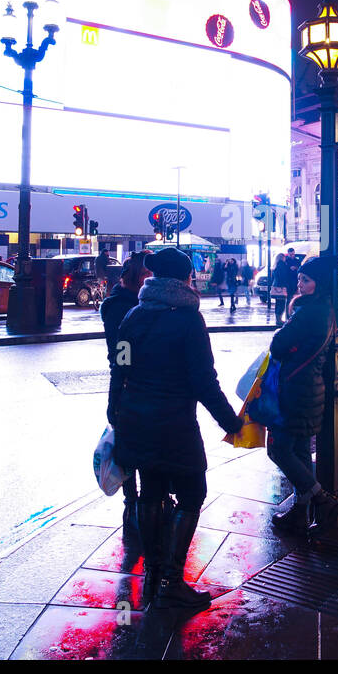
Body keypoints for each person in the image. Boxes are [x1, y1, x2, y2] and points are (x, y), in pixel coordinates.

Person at [108, 247, 244, 611]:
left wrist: (114, 410)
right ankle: (170, 579)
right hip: (174, 423)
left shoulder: (133, 316)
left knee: (151, 491)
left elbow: (119, 366)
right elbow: (204, 381)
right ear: (183, 280)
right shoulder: (188, 320)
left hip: (135, 417)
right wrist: (231, 421)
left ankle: (153, 574)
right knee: (191, 493)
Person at [265, 257, 338, 534]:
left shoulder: (308, 311)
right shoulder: (325, 309)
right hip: (309, 388)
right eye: (300, 278)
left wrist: (283, 336)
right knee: (297, 450)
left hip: (295, 390)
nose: (299, 282)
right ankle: (299, 513)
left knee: (278, 449)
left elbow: (278, 344)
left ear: (318, 284)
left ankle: (322, 500)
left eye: (306, 280)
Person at [100, 250, 153, 540]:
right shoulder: (120, 307)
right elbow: (120, 354)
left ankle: (141, 503)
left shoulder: (141, 304)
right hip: (128, 385)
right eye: (146, 276)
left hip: (135, 382)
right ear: (136, 278)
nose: (150, 280)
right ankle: (132, 503)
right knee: (130, 448)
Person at [272, 252, 297, 326]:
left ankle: (278, 319)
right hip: (281, 286)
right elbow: (284, 275)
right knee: (281, 303)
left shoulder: (276, 265)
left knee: (278, 303)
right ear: (282, 257)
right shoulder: (282, 265)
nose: (285, 258)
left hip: (276, 286)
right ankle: (279, 320)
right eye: (284, 257)